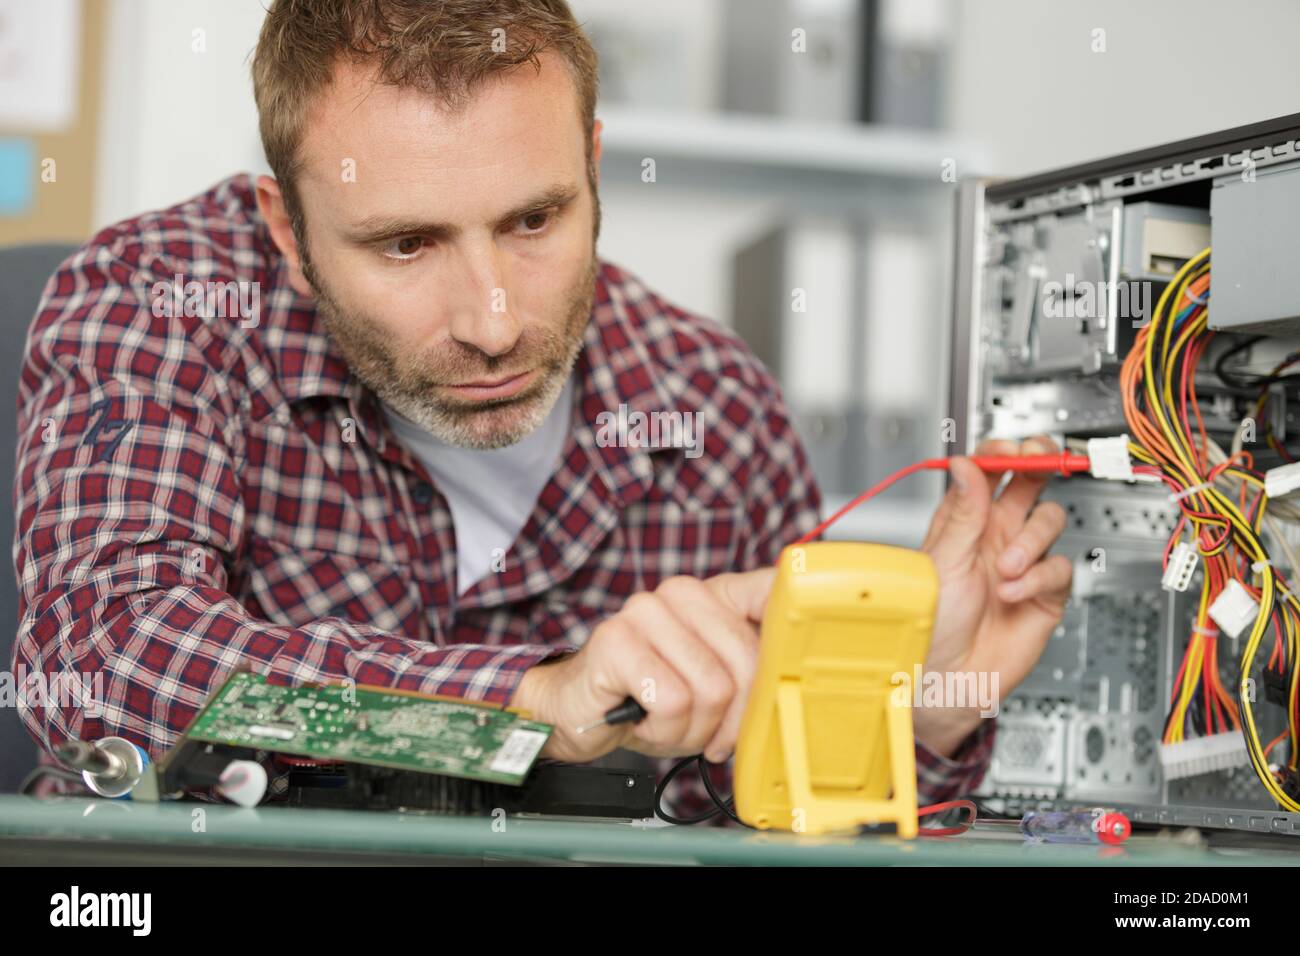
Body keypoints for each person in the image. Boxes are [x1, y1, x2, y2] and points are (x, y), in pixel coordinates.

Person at [13, 0, 1071, 820]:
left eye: (533, 218)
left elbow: (752, 806)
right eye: (405, 244)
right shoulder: (161, 302)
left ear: (593, 169)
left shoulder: (719, 416)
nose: (493, 320)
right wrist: (524, 705)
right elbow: (108, 659)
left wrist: (920, 713)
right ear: (285, 232)